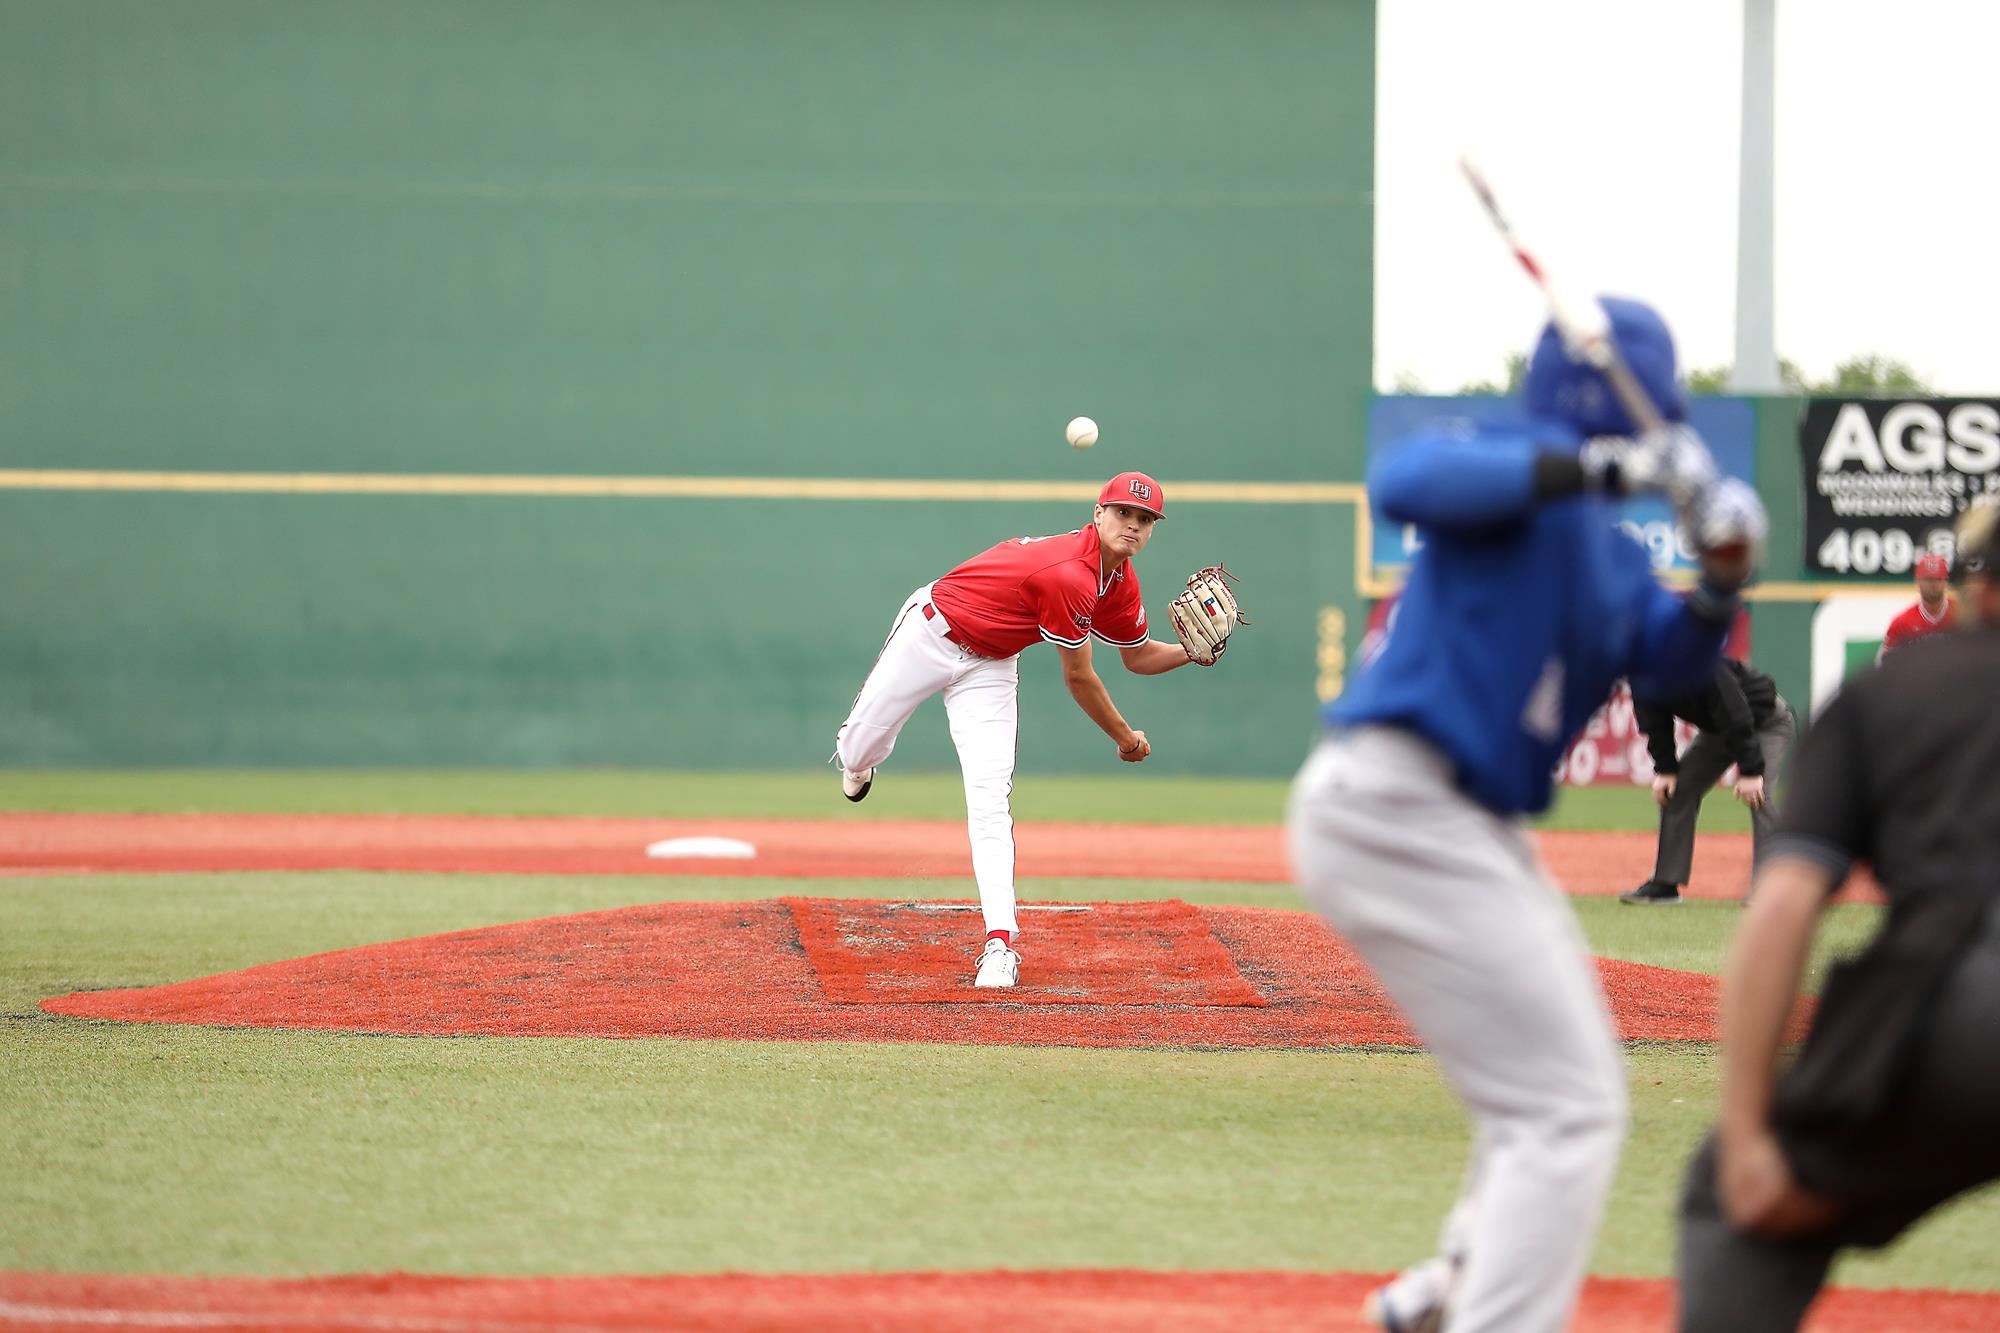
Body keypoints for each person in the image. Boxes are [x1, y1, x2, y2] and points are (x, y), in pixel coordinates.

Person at [1285, 297, 1768, 1333]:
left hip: (1466, 825)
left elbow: (1668, 660)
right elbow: (1405, 481)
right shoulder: (1515, 474)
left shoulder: (1609, 551)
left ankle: (1449, 1293)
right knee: (1568, 1108)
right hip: (1395, 799)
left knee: (1549, 1093)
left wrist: (1719, 584)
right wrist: (1605, 468)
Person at [1676, 498, 2000, 1332]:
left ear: (1978, 587)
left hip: (1962, 1010)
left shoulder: (1894, 694)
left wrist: (1747, 1133)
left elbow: (1784, 905)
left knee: (1733, 1196)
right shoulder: (1904, 644)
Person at [834, 471, 1212, 989]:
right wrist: (1125, 737)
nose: (1133, 524)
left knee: (990, 798)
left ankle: (1000, 945)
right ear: (1098, 514)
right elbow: (1079, 678)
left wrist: (1190, 652)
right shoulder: (1069, 574)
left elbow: (1139, 656)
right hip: (931, 632)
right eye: (1123, 512)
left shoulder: (1120, 583)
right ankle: (861, 762)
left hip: (991, 663)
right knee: (856, 748)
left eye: (1145, 519)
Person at [1621, 658, 1794, 906]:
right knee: (1679, 790)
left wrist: (1751, 772)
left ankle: (1772, 887)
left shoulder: (1701, 664)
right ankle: (1665, 884)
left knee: (1759, 796)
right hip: (1721, 730)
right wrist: (1666, 769)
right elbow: (1654, 721)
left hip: (1767, 722)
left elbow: (1736, 714)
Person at [1879, 551, 1957, 656]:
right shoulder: (1902, 623)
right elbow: (1886, 660)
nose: (1933, 585)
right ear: (1918, 582)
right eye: (1928, 579)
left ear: (1945, 582)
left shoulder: (1962, 617)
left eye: (1938, 579)